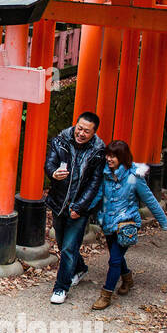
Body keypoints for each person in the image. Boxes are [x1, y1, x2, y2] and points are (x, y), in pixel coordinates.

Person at [91, 139, 167, 311]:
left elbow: (150, 200)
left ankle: (106, 295)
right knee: (116, 256)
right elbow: (97, 196)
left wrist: (163, 222)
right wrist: (81, 211)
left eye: (114, 156)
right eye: (108, 155)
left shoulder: (134, 177)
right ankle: (127, 278)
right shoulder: (105, 174)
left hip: (127, 223)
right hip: (108, 223)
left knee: (114, 260)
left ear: (122, 157)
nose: (109, 159)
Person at [44, 111, 105, 305]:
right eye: (79, 128)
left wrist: (80, 206)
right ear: (75, 125)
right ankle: (79, 268)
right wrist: (53, 173)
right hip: (59, 202)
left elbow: (94, 183)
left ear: (93, 133)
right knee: (62, 243)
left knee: (69, 248)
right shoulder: (60, 140)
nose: (81, 133)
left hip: (79, 206)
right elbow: (49, 163)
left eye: (86, 131)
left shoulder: (98, 151)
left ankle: (61, 288)